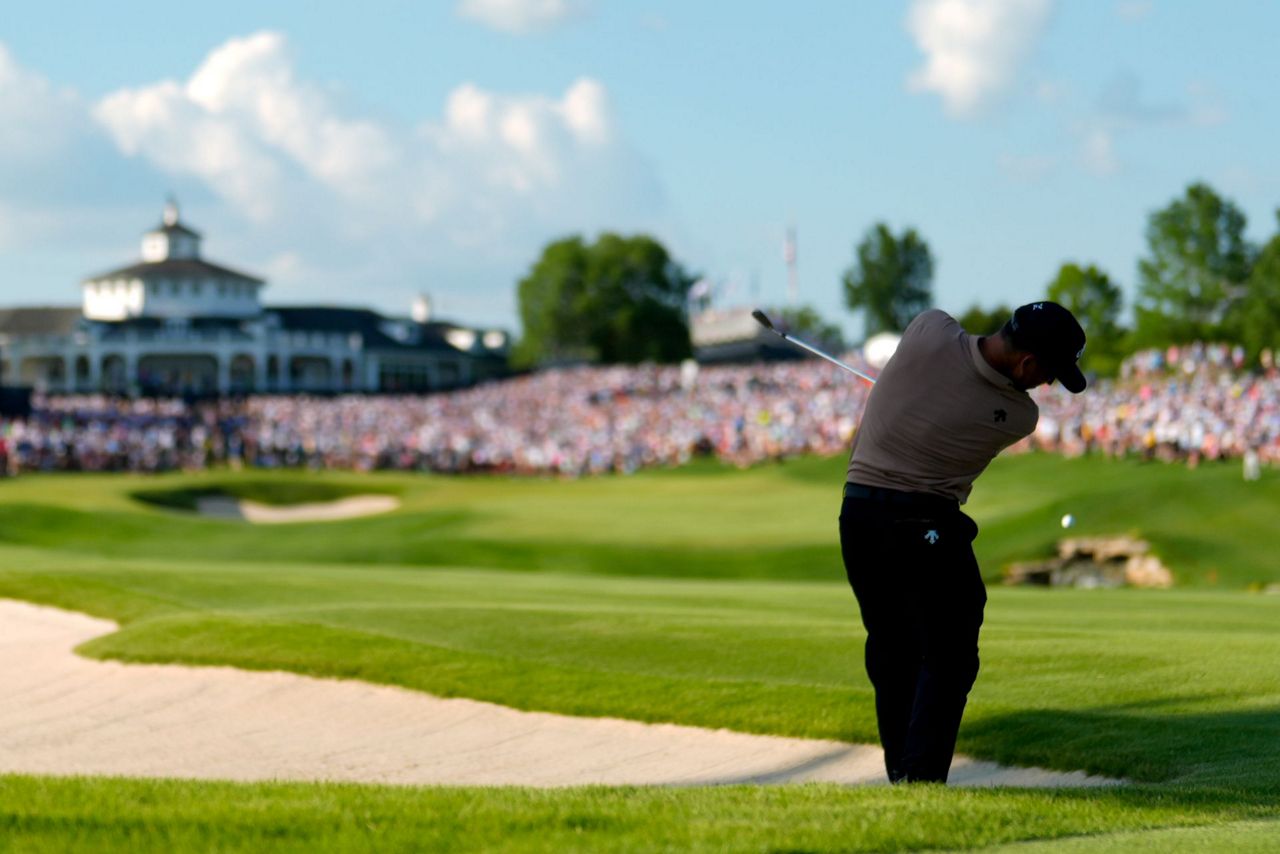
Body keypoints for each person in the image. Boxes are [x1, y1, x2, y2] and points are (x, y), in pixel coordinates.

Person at [839, 301, 1087, 783]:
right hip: (920, 521)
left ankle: (903, 774)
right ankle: (922, 778)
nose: (1049, 385)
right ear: (1027, 364)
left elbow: (939, 349)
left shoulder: (928, 328)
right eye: (1051, 373)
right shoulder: (1019, 414)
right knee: (951, 649)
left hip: (857, 517)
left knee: (892, 648)